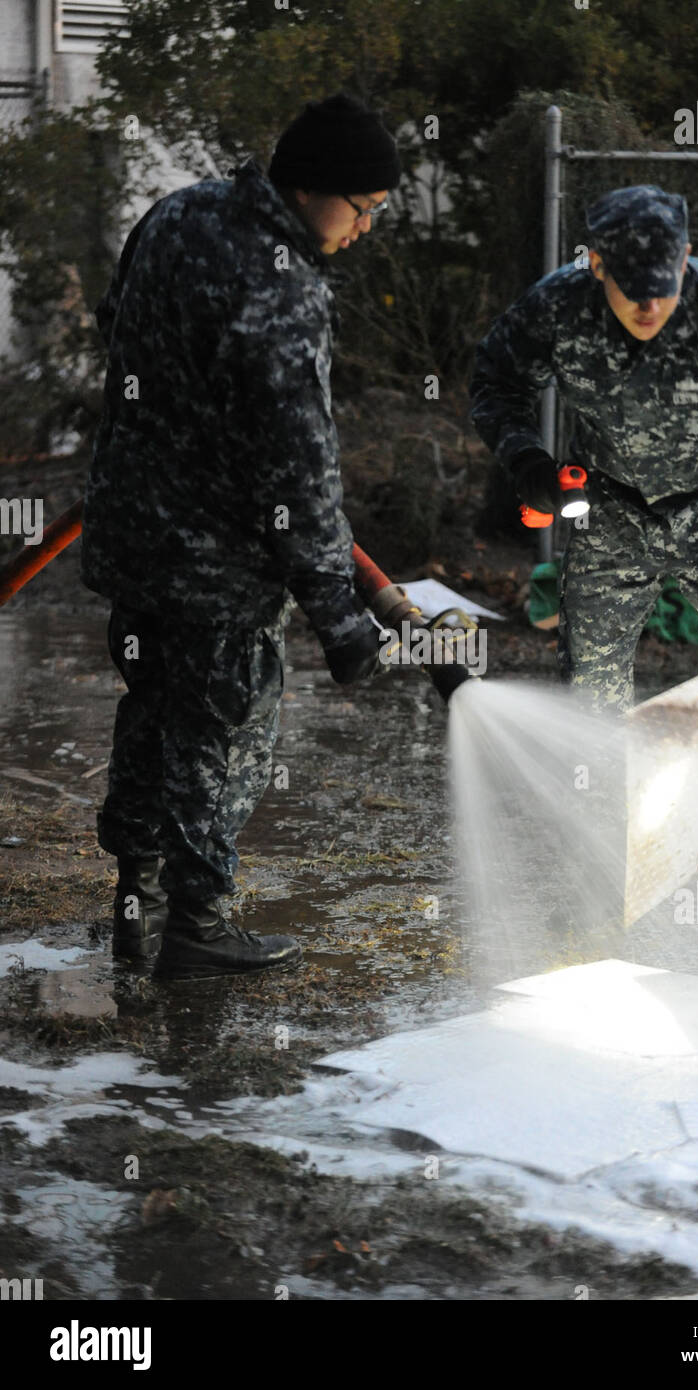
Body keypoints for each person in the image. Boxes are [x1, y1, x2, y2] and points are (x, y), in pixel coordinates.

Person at [81, 93, 401, 980]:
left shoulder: (176, 214)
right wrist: (339, 614)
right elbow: (297, 466)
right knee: (219, 740)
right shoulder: (281, 286)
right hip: (216, 567)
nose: (366, 228)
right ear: (308, 190)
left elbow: (115, 329)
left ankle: (137, 906)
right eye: (363, 207)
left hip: (134, 541)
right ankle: (198, 924)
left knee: (152, 716)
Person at [470, 185, 698, 782]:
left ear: (685, 259)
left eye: (662, 289)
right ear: (596, 265)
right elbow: (495, 381)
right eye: (632, 290)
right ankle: (600, 823)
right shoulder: (558, 307)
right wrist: (528, 462)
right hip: (610, 508)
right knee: (590, 696)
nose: (649, 307)